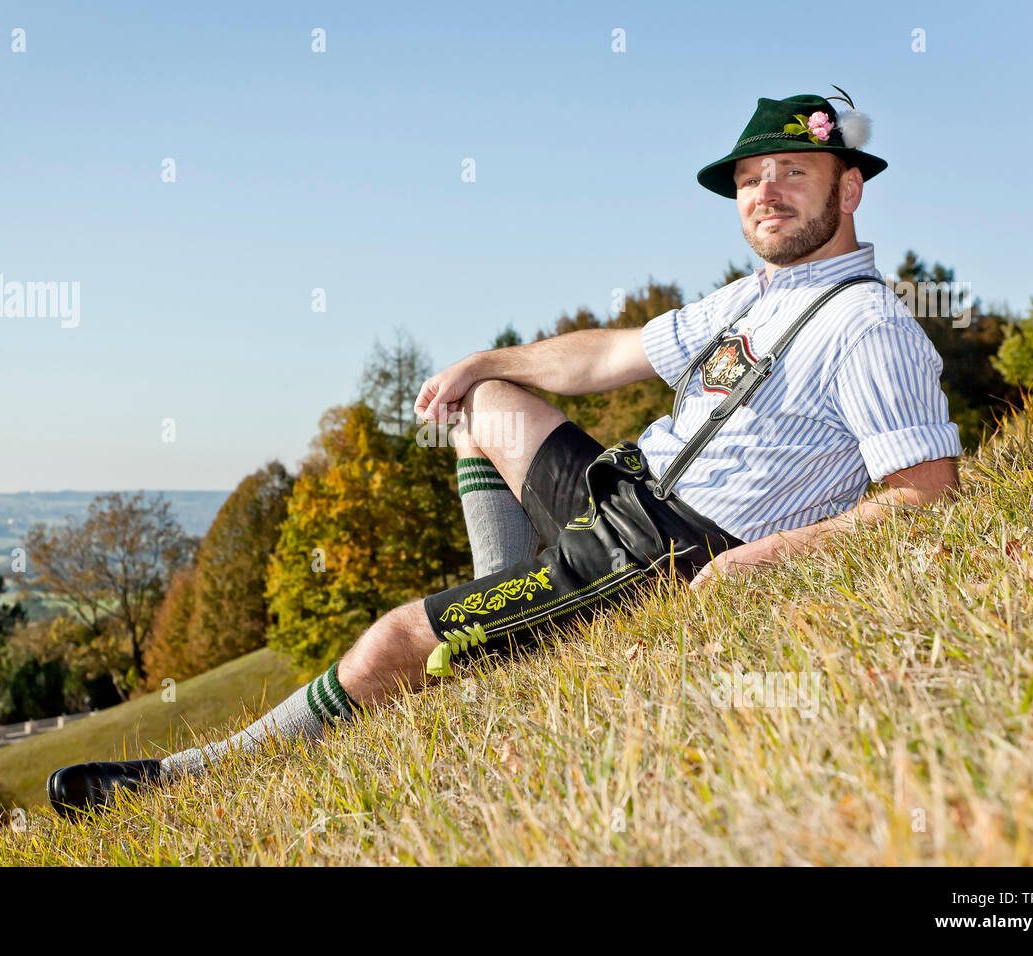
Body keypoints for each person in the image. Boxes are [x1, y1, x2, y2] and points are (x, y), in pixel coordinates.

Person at [47, 91, 961, 818]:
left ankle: (182, 777)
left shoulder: (867, 324)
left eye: (793, 171)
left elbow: (925, 494)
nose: (765, 191)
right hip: (621, 495)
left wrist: (752, 565)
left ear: (848, 189)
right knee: (485, 408)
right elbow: (605, 357)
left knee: (396, 641)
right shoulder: (750, 300)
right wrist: (482, 363)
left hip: (666, 551)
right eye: (752, 176)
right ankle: (508, 637)